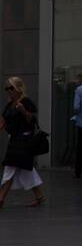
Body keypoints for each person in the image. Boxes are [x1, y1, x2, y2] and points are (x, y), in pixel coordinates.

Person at [0, 76, 45, 208]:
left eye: (11, 88)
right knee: (25, 169)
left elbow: (31, 120)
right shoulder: (9, 105)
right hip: (15, 139)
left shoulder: (25, 102)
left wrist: (23, 111)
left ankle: (1, 198)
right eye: (7, 88)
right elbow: (3, 121)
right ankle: (39, 196)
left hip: (24, 140)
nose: (9, 91)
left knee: (10, 166)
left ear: (19, 88)